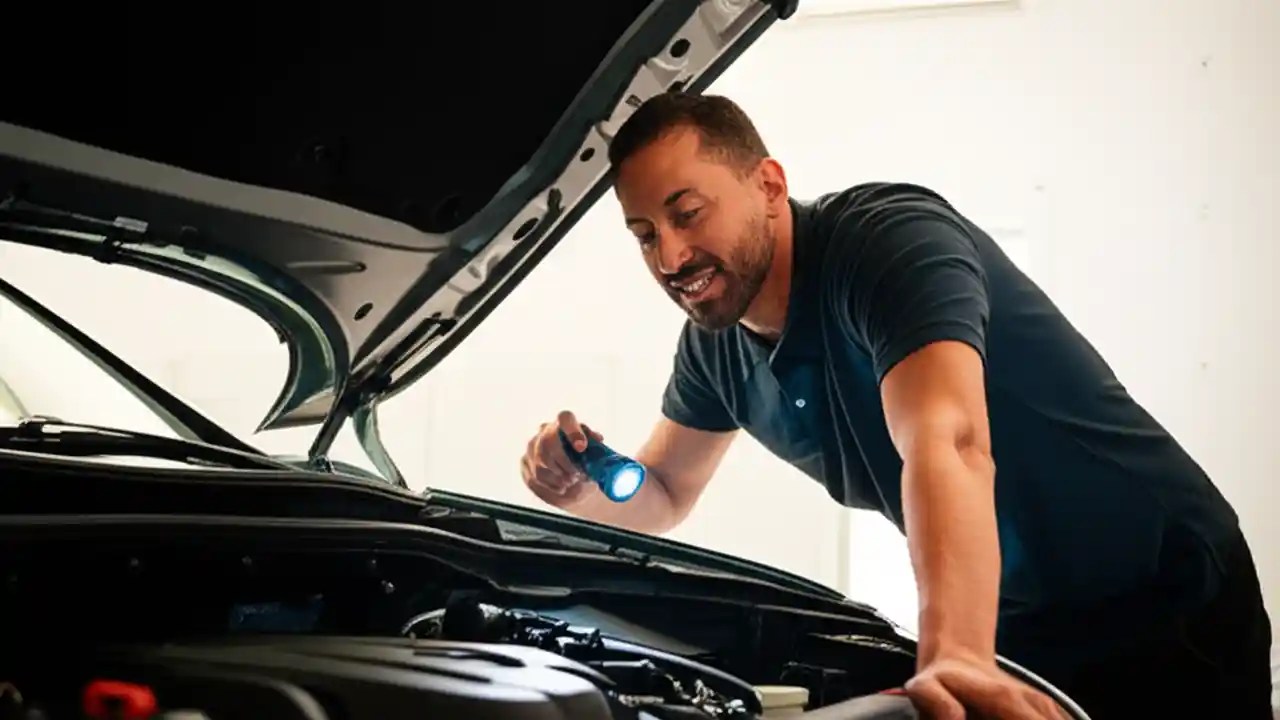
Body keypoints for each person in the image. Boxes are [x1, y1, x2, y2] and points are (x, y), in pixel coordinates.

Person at [517, 92, 1273, 719]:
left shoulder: (884, 244)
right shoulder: (713, 347)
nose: (670, 258)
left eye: (687, 214)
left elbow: (947, 440)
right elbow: (664, 493)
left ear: (769, 186)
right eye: (644, 234)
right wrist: (583, 490)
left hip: (1159, 585)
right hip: (1020, 619)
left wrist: (953, 653)